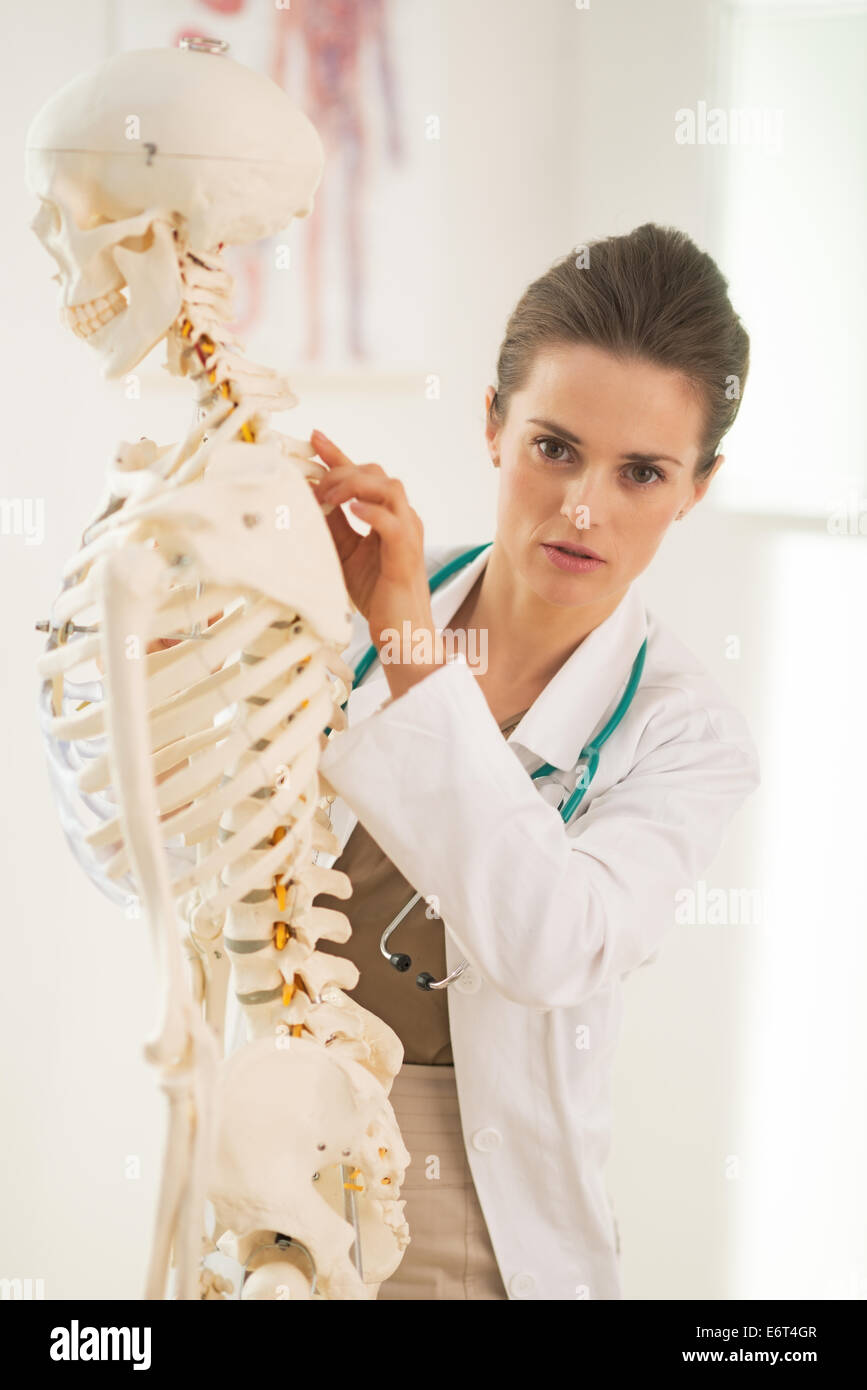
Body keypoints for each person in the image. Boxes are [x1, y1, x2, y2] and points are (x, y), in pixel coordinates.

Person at [306, 222, 761, 1300]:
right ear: (493, 426)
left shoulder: (688, 734)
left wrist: (414, 649)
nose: (584, 508)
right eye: (555, 447)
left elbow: (552, 946)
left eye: (642, 471)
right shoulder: (336, 607)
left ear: (697, 486)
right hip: (265, 1152)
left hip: (465, 1206)